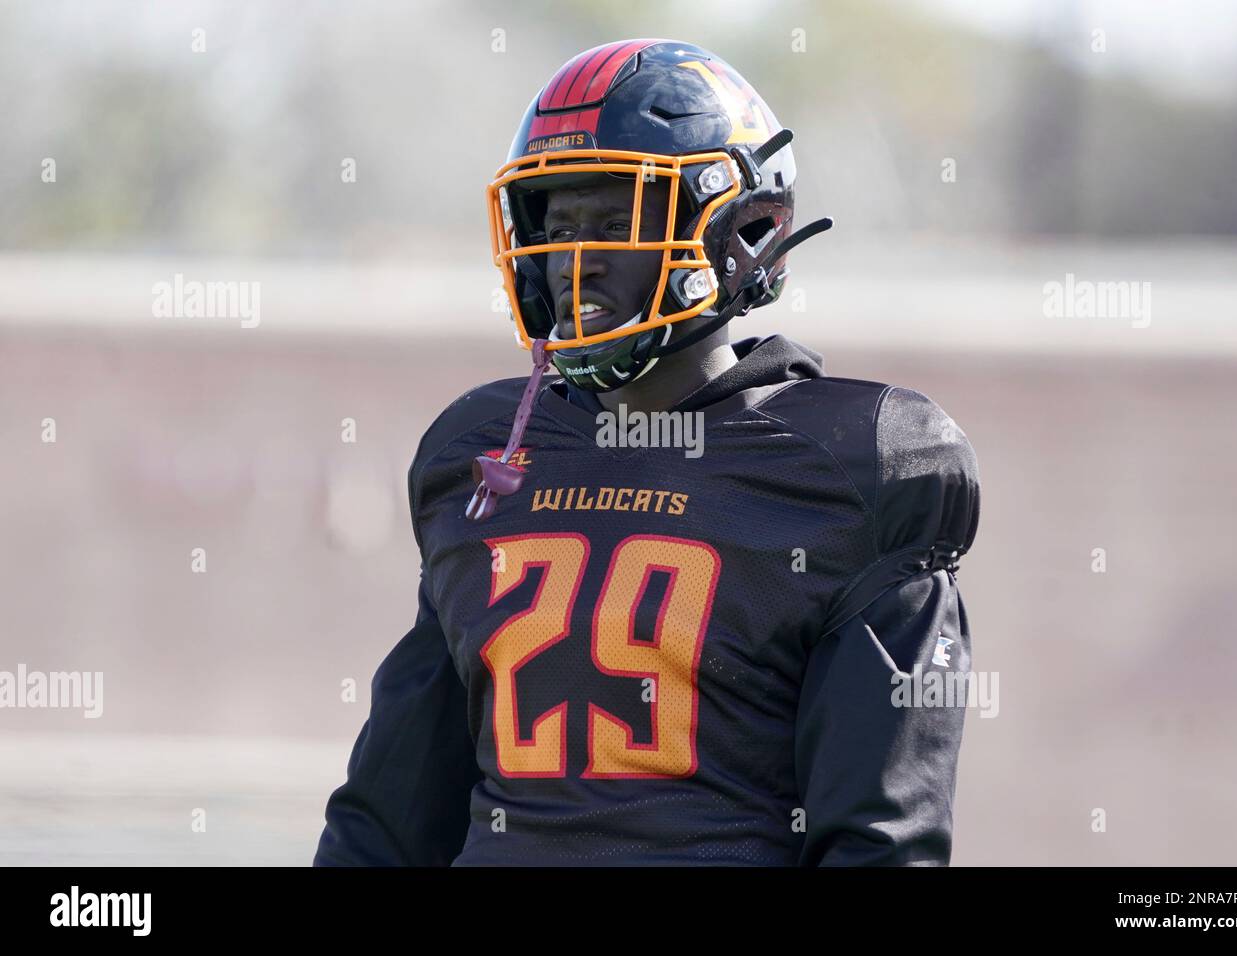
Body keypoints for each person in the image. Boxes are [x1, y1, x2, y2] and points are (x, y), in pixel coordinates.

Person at [314, 38, 979, 866]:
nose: (571, 259)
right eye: (557, 224)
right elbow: (387, 822)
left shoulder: (851, 469)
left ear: (731, 228)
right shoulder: (482, 451)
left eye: (613, 218)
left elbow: (879, 843)